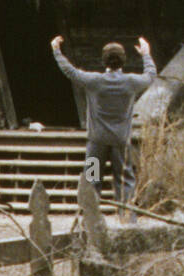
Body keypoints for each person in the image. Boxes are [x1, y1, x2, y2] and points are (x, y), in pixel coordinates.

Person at [50, 35, 156, 212]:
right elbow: (151, 75)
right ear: (123, 60)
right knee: (125, 181)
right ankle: (127, 220)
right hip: (121, 141)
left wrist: (56, 51)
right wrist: (146, 53)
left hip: (96, 142)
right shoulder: (131, 82)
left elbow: (70, 71)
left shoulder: (94, 81)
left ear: (103, 60)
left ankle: (89, 220)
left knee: (91, 180)